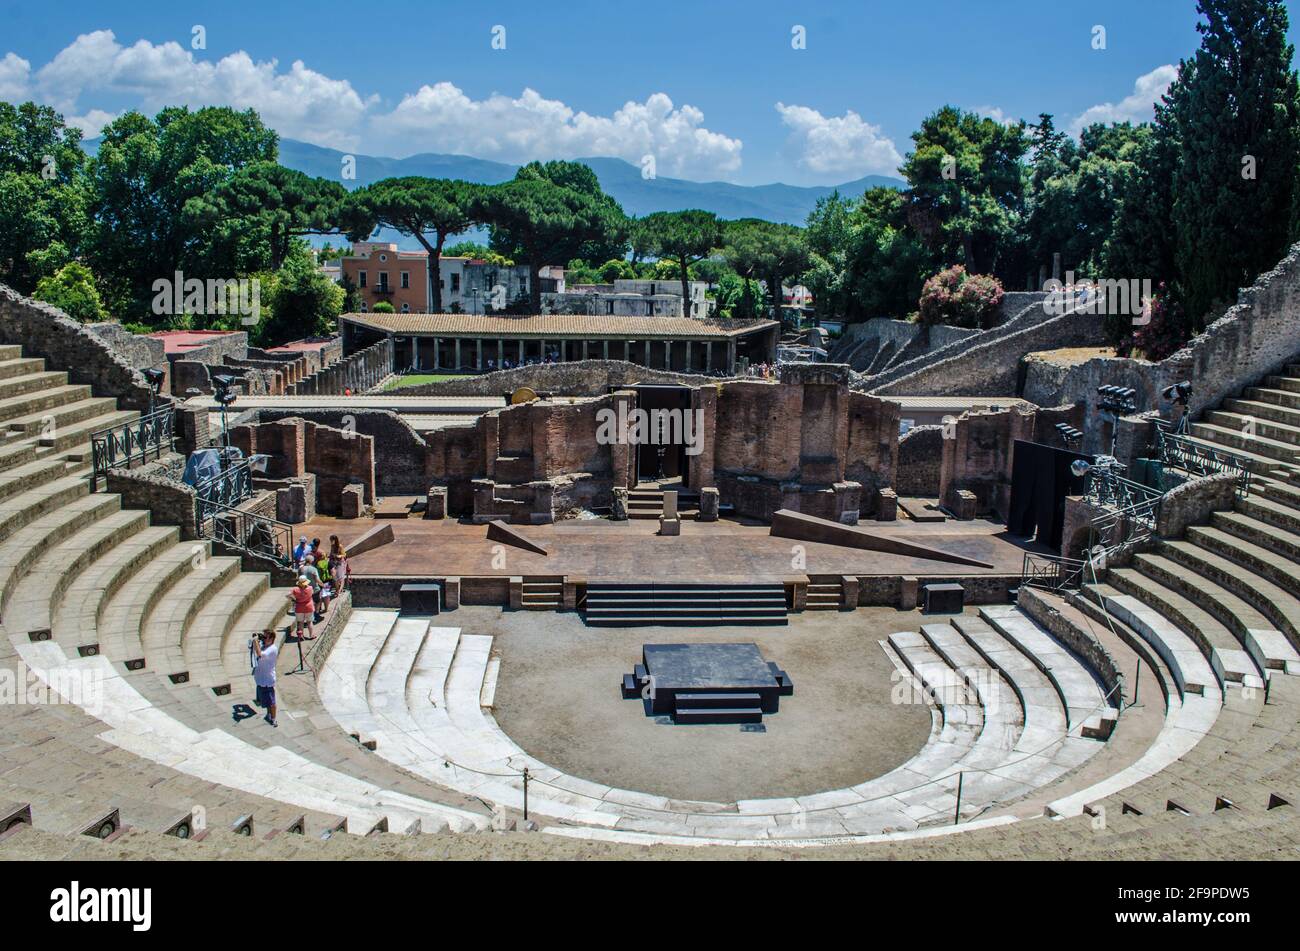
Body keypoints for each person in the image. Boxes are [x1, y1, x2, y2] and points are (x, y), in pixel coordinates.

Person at [251, 629, 279, 727]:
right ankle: (268, 714)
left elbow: (260, 654)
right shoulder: (263, 646)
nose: (264, 639)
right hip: (260, 678)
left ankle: (274, 719)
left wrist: (255, 641)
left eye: (266, 637)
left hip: (268, 679)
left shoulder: (272, 648)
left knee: (271, 701)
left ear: (271, 638)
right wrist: (257, 641)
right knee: (265, 700)